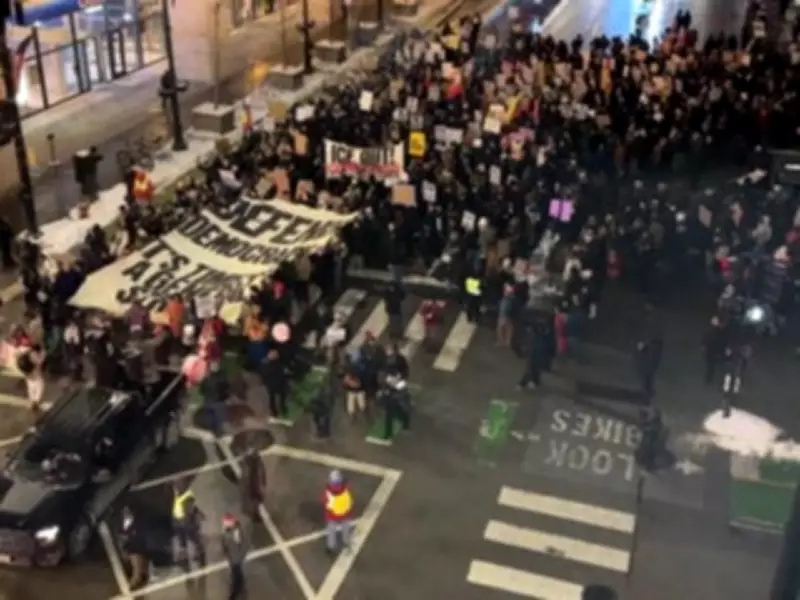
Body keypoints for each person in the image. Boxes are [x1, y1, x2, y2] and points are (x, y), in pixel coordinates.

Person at [172, 479, 206, 570]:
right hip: (178, 522)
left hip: (187, 523)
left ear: (184, 486)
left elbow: (192, 510)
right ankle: (184, 556)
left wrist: (197, 516)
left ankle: (200, 552)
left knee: (194, 538)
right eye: (176, 486)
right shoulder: (177, 495)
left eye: (178, 485)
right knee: (182, 539)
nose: (176, 488)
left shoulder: (187, 497)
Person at [323, 470, 354, 555]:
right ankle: (346, 542)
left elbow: (326, 503)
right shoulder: (345, 488)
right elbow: (349, 500)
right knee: (346, 528)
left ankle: (331, 547)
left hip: (332, 515)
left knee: (331, 530)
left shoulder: (328, 492)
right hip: (345, 513)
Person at [119, 505, 149, 590]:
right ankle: (137, 581)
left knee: (137, 569)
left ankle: (131, 586)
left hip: (135, 548)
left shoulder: (135, 523)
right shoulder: (124, 523)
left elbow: (137, 536)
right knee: (138, 567)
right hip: (131, 548)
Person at [221, 514, 247, 600]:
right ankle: (241, 584)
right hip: (233, 557)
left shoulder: (236, 533)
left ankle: (235, 590)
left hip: (235, 557)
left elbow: (241, 545)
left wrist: (240, 556)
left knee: (235, 572)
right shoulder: (228, 532)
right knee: (236, 571)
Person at [239, 448, 266, 520]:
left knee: (251, 471)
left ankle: (250, 455)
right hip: (247, 483)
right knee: (249, 471)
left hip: (250, 483)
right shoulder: (245, 509)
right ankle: (249, 455)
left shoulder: (254, 503)